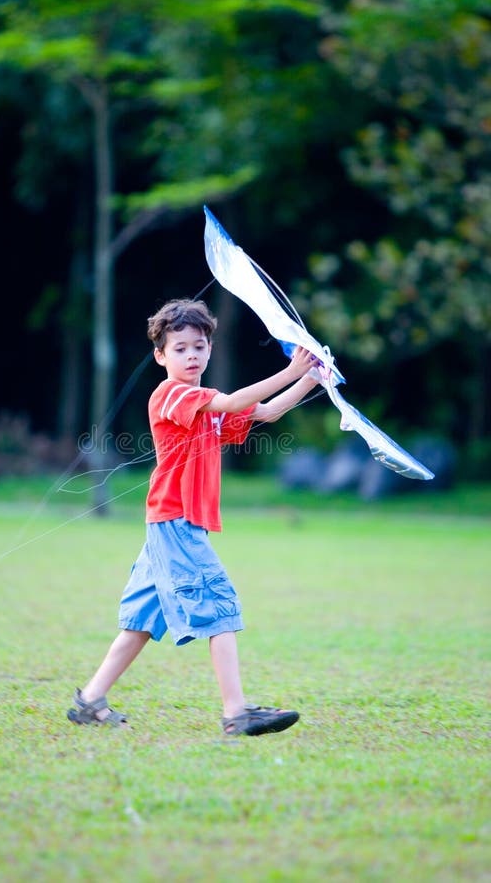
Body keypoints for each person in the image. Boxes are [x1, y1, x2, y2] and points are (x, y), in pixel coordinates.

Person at [67, 299, 320, 736]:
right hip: (175, 521)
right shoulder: (171, 394)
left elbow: (264, 411)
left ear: (209, 349)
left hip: (172, 524)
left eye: (199, 346)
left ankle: (89, 700)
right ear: (161, 356)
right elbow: (235, 400)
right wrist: (291, 370)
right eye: (180, 348)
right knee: (221, 609)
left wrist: (312, 378)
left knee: (142, 622)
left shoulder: (208, 403)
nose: (191, 355)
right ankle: (236, 712)